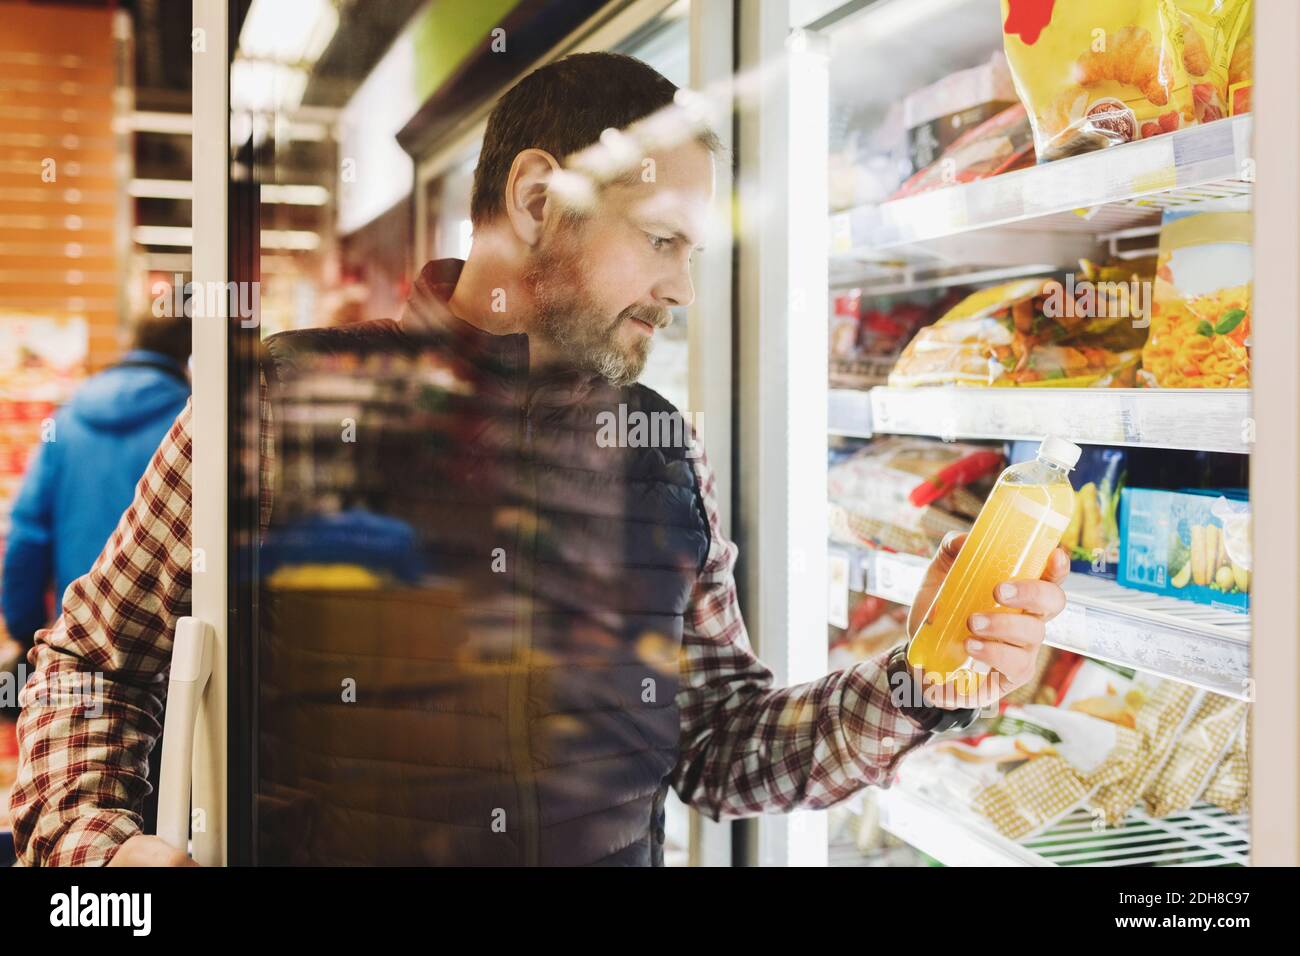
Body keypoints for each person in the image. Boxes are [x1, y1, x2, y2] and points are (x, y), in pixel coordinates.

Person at [9, 53, 1067, 867]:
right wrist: (103, 852)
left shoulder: (664, 452)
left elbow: (724, 743)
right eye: (661, 241)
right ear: (534, 201)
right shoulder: (273, 408)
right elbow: (90, 662)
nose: (681, 289)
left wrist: (924, 675)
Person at [2, 315, 191, 652]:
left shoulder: (68, 419)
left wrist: (25, 628)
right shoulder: (190, 425)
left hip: (76, 632)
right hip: (168, 642)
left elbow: (29, 532)